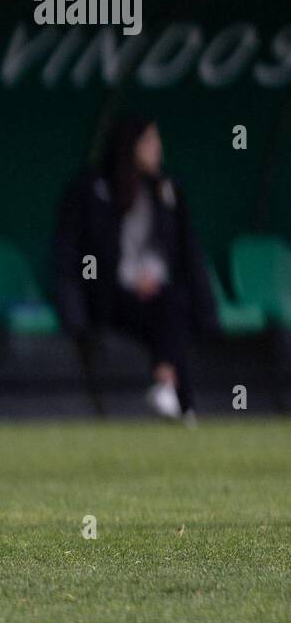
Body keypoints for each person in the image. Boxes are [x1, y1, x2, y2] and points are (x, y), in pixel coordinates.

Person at [53, 114, 219, 424]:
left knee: (173, 304)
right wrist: (76, 310)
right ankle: (182, 402)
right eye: (150, 141)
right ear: (130, 147)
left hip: (158, 296)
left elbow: (187, 254)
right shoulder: (93, 190)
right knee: (171, 310)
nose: (158, 149)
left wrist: (206, 311)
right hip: (110, 297)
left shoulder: (166, 191)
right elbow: (71, 255)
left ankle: (168, 388)